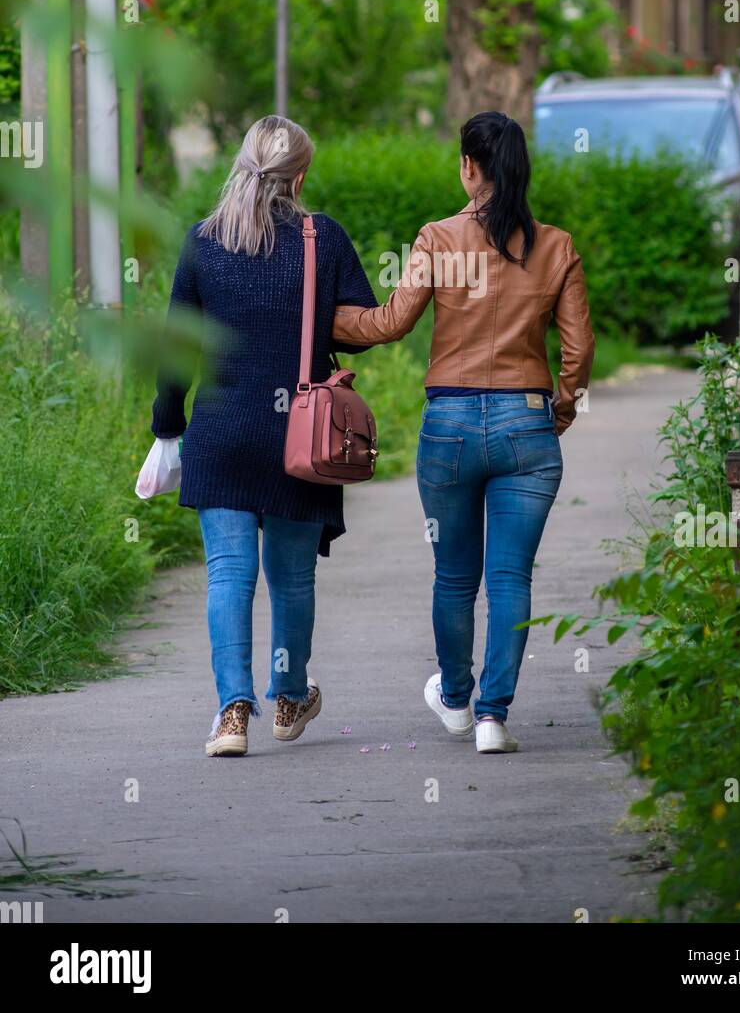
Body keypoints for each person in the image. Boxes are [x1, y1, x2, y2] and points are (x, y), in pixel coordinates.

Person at [333, 111, 594, 754]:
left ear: (469, 167)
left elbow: (390, 323)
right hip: (527, 426)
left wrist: (317, 320)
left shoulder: (438, 239)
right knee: (511, 579)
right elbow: (579, 351)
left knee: (454, 576)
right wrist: (556, 413)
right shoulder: (557, 247)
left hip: (449, 425)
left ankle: (454, 696)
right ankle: (492, 716)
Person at [149, 116, 375, 757]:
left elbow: (176, 352)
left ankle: (231, 715)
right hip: (300, 435)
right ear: (300, 176)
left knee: (228, 574)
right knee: (293, 578)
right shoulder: (322, 237)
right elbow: (356, 324)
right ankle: (288, 697)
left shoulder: (202, 241)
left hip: (221, 432)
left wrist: (168, 426)